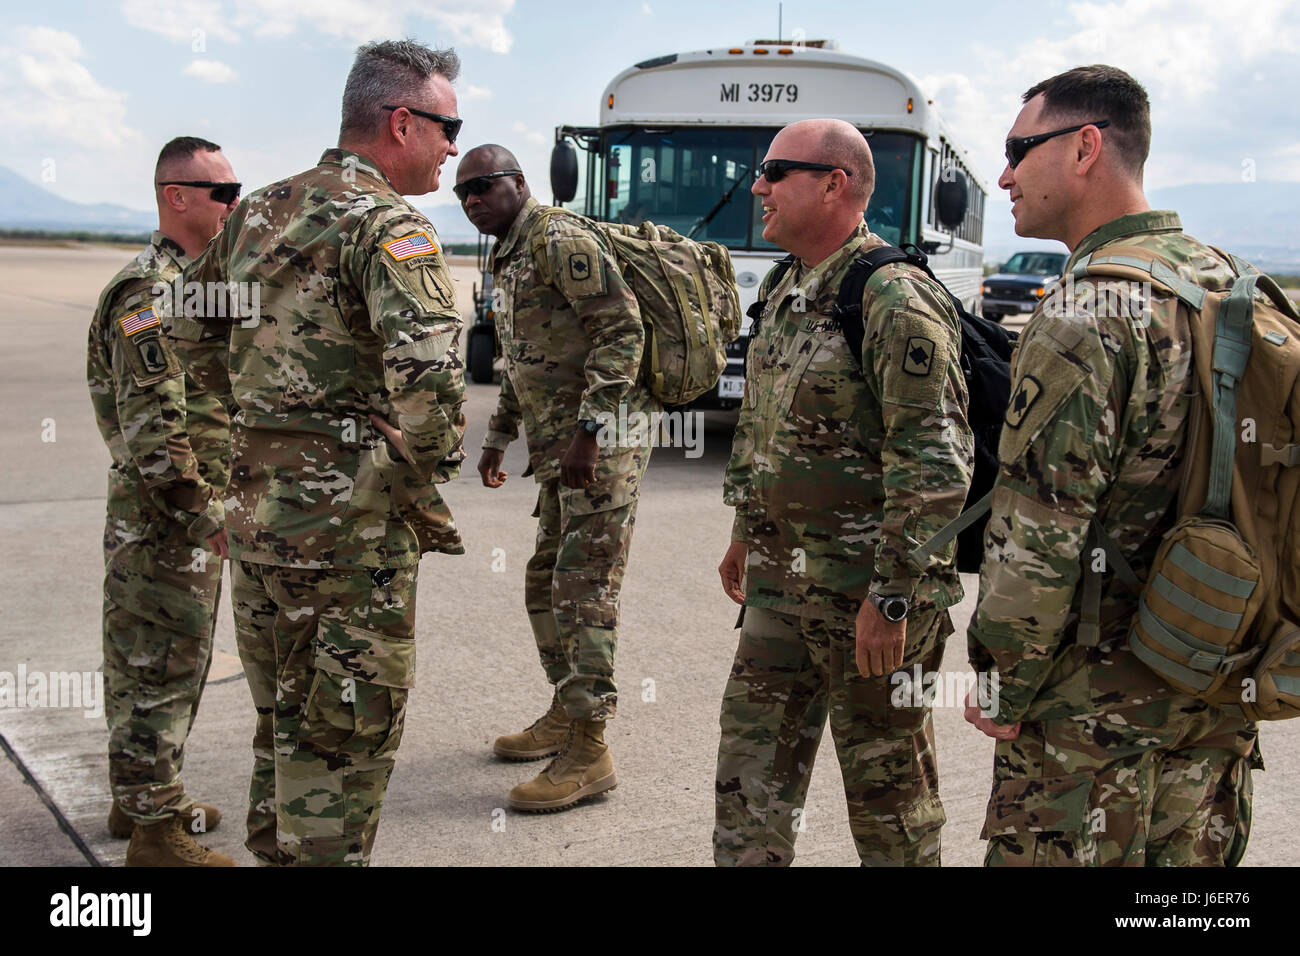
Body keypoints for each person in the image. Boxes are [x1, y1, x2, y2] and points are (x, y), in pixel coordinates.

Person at [175, 39, 467, 866]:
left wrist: (226, 482)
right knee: (340, 747)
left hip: (260, 532)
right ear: (401, 123)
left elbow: (191, 347)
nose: (454, 146)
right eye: (448, 127)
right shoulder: (390, 225)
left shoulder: (260, 211)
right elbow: (436, 389)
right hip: (346, 546)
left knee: (285, 731)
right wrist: (381, 496)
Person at [965, 64, 1261, 866]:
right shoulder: (1229, 283)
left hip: (1090, 727)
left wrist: (1002, 677)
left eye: (1018, 148)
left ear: (1085, 147)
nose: (1005, 175)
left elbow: (1039, 533)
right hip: (1214, 686)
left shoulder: (1084, 311)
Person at [715, 118, 973, 866]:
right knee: (749, 775)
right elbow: (763, 423)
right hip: (780, 585)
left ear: (836, 185)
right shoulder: (785, 281)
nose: (757, 186)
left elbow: (934, 459)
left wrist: (893, 596)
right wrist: (744, 529)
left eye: (776, 171)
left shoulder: (893, 296)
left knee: (889, 797)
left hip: (869, 600)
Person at [459, 144, 657, 812]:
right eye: (462, 193)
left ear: (518, 183)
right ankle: (566, 711)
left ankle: (591, 747)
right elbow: (524, 357)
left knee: (583, 590)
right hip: (559, 451)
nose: (472, 200)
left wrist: (592, 431)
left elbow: (621, 331)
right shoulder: (509, 252)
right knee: (545, 581)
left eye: (483, 185)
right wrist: (497, 438)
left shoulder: (559, 239)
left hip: (603, 448)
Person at [87, 135, 240, 866]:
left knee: (151, 660)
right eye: (222, 192)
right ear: (176, 198)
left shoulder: (193, 282)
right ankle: (155, 835)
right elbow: (156, 433)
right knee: (161, 666)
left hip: (171, 515)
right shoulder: (152, 292)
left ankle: (141, 799)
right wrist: (205, 514)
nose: (235, 203)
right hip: (167, 519)